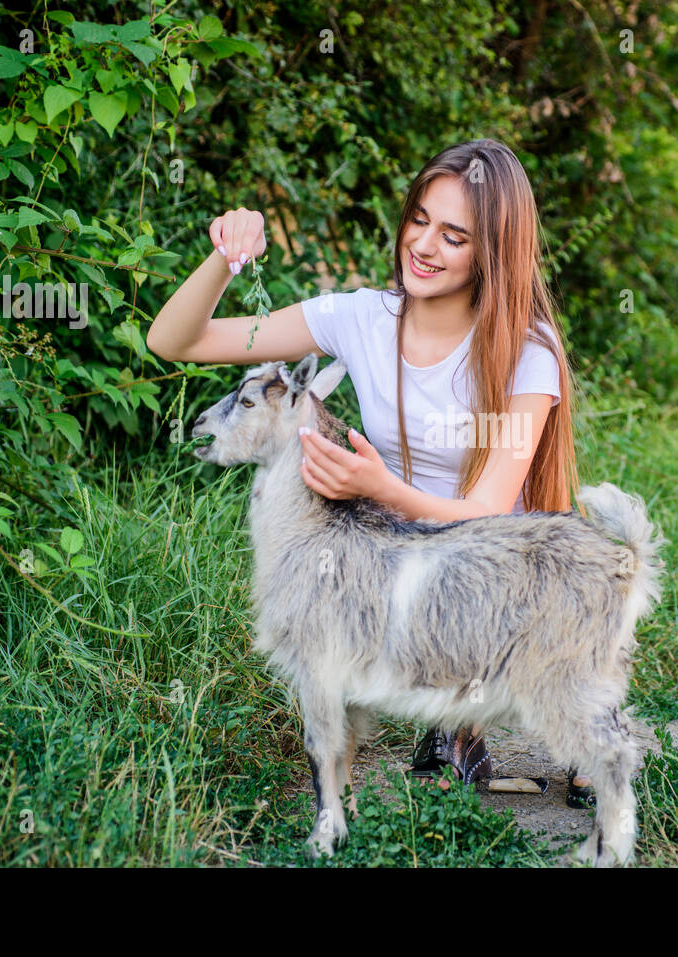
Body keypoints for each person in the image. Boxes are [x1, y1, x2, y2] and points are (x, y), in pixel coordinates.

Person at [146, 138, 595, 809]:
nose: (424, 245)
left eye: (455, 236)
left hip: (498, 565)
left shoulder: (526, 350)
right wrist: (225, 256)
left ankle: (552, 693)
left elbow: (492, 512)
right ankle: (452, 714)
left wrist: (377, 487)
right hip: (403, 556)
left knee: (574, 733)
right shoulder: (362, 318)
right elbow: (175, 340)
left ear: (493, 252)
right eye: (419, 219)